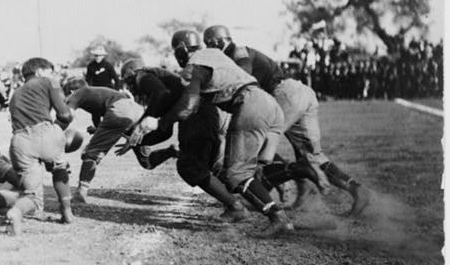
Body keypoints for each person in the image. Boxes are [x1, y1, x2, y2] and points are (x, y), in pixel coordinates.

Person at [129, 30, 293, 237]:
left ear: (181, 49)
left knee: (236, 174)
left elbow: (189, 104)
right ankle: (291, 186)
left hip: (250, 105)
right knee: (250, 168)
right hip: (269, 104)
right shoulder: (215, 54)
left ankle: (278, 217)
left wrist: (158, 122)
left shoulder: (194, 66)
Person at [202, 25, 370, 216]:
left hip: (284, 93)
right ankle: (356, 190)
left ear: (215, 42)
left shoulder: (238, 52)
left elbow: (244, 77)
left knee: (257, 141)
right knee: (312, 156)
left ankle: (266, 191)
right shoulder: (235, 54)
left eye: (209, 45)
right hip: (299, 93)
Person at [5, 57, 75, 235]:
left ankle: (16, 212)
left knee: (33, 197)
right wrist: (57, 130)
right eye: (49, 71)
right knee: (60, 165)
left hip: (19, 141)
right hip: (43, 132)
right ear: (40, 72)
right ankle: (67, 210)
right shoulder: (47, 81)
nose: (52, 74)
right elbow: (65, 115)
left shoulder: (15, 94)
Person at [63, 77, 143, 204]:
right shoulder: (96, 92)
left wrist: (53, 133)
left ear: (72, 91)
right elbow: (102, 115)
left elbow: (65, 116)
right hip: (137, 111)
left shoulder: (80, 93)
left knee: (90, 153)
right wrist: (129, 135)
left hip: (120, 110)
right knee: (147, 160)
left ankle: (81, 192)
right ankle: (173, 151)